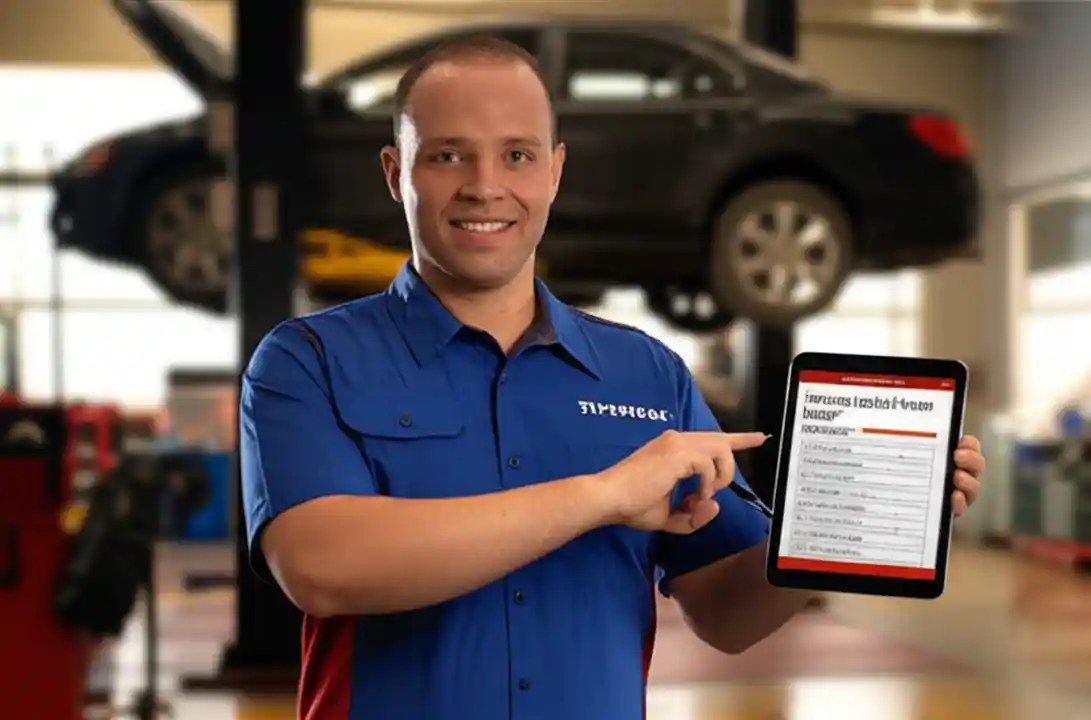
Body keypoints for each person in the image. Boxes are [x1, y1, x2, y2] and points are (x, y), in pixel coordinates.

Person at [238, 34, 986, 720]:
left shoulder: (648, 375)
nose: (485, 187)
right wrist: (603, 495)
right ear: (396, 173)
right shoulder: (307, 360)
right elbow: (323, 568)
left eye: (518, 156)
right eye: (448, 156)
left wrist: (844, 528)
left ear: (556, 171)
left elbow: (727, 614)